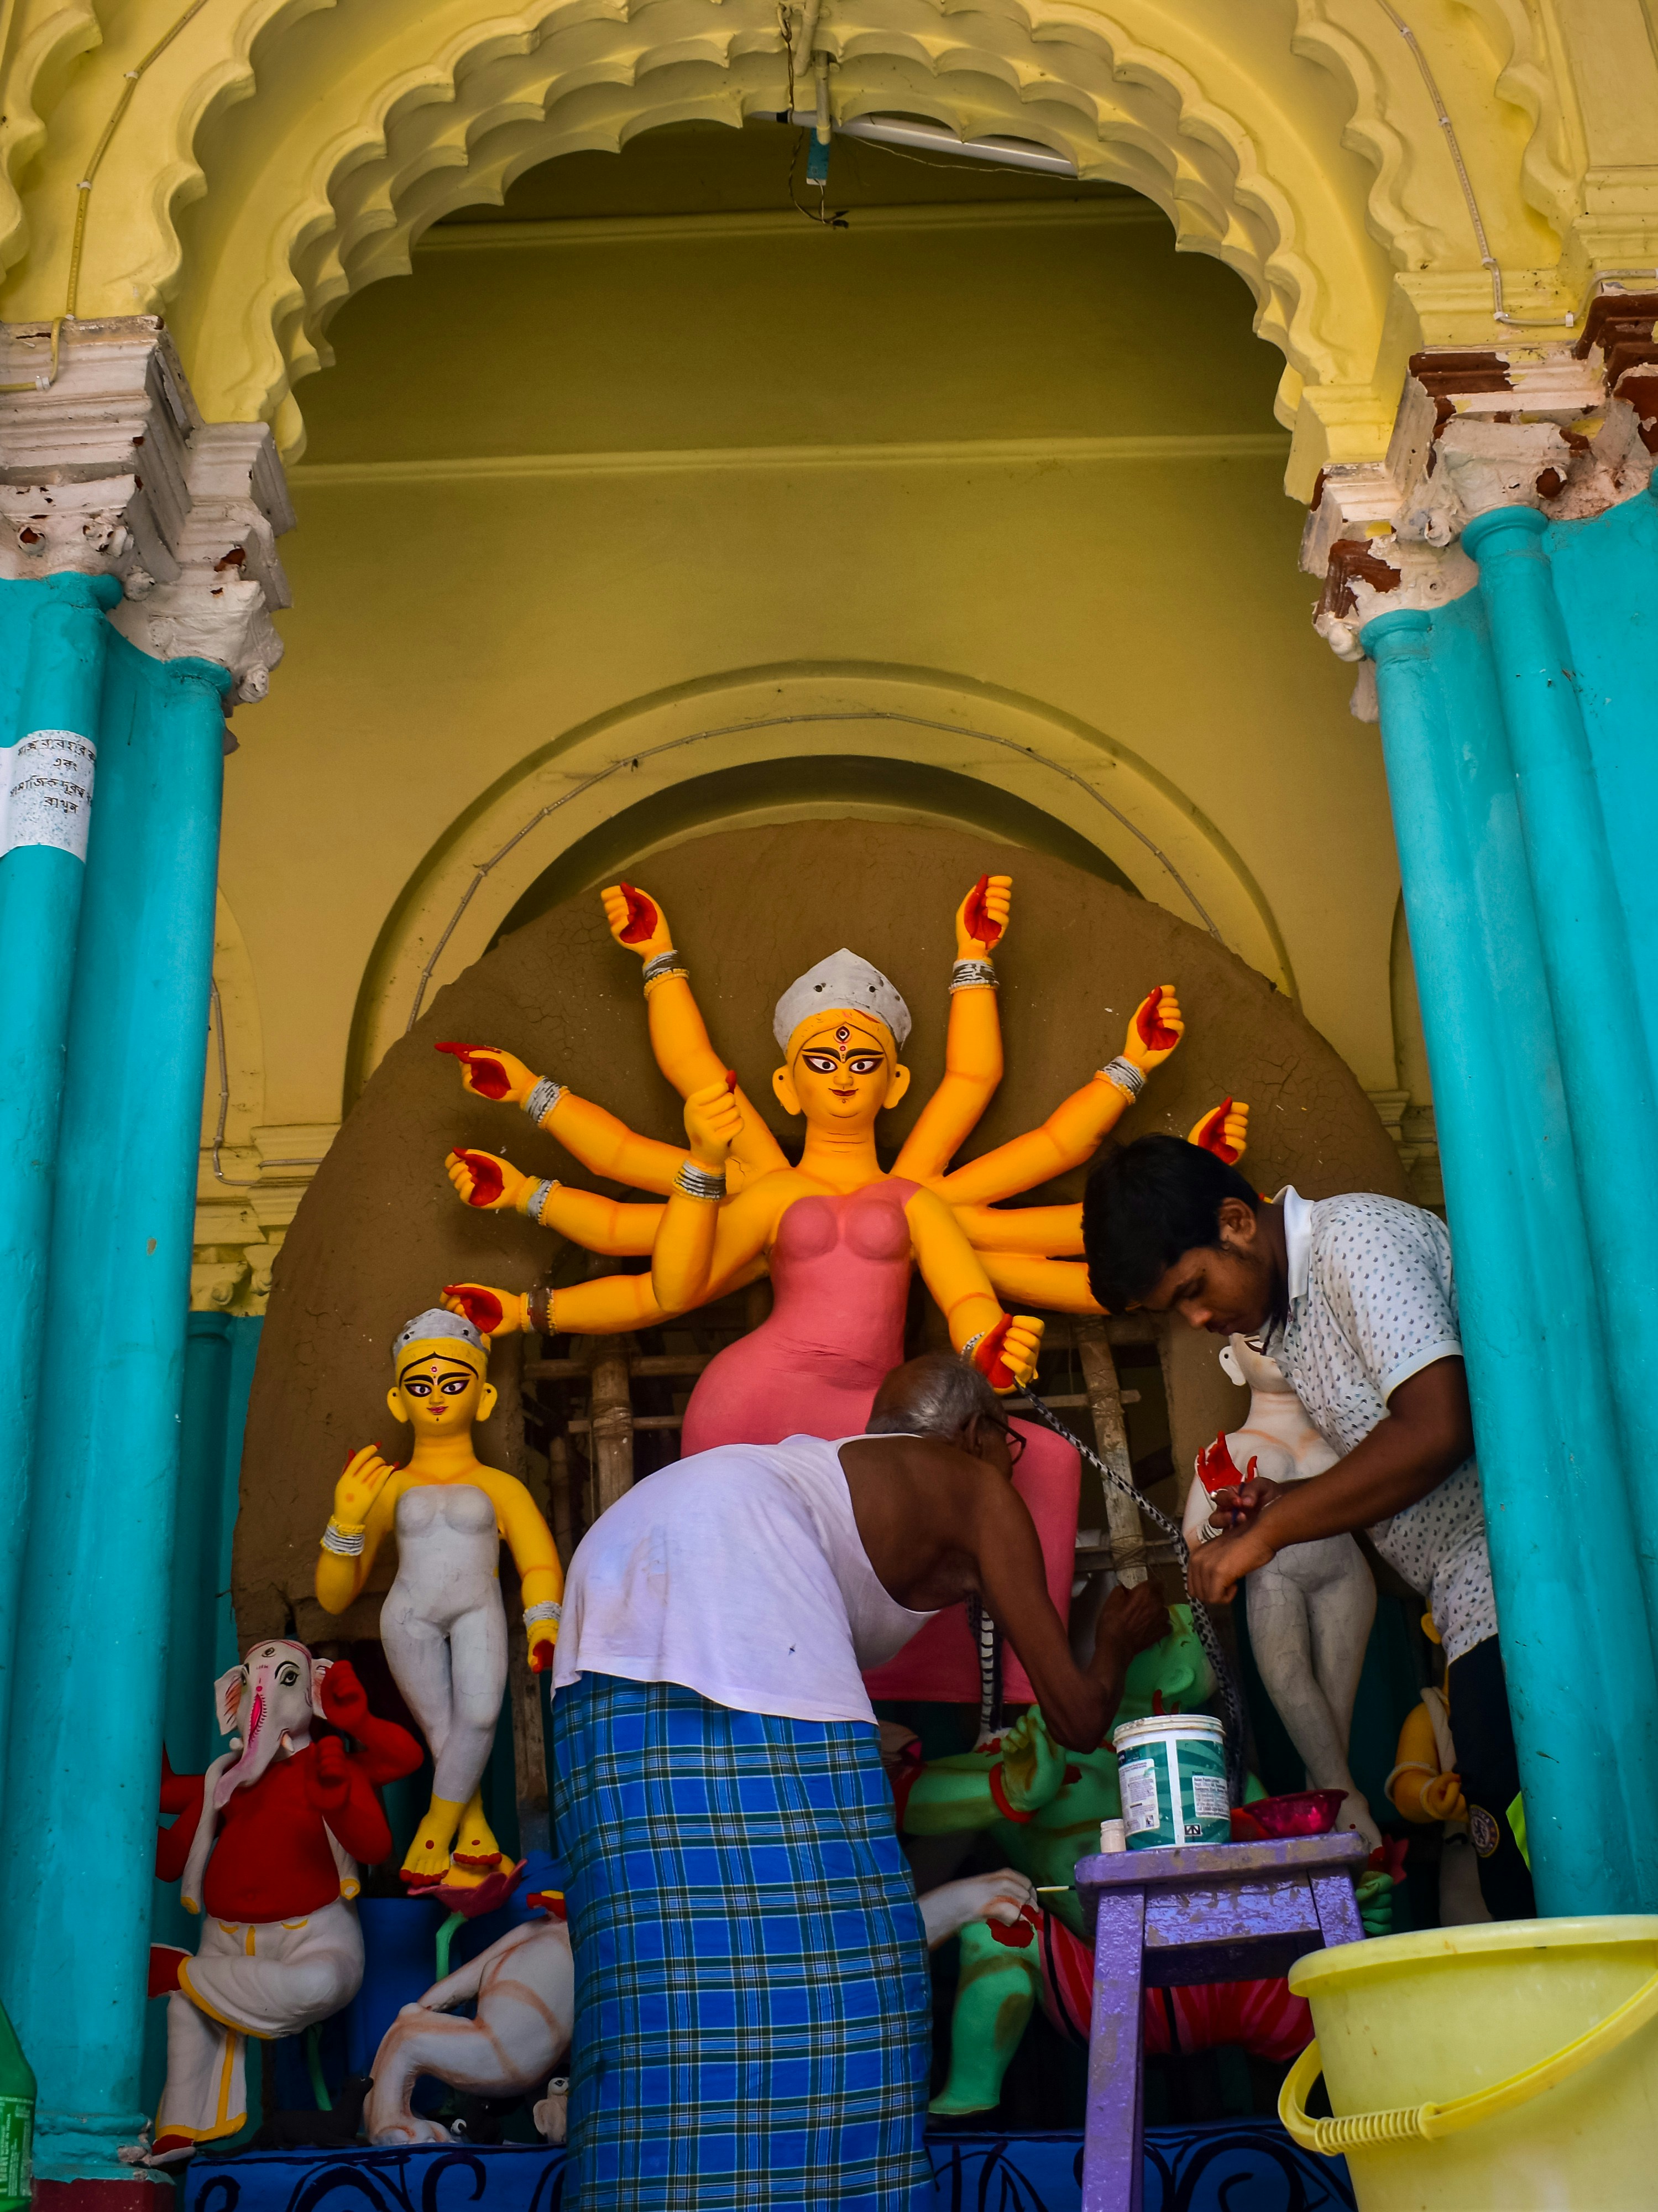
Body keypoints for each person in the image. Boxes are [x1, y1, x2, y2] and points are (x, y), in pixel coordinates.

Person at [550, 1353, 1168, 2211]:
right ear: (979, 1433)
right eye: (1007, 1447)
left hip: (605, 1586)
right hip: (733, 1567)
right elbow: (1074, 1717)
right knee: (857, 1972)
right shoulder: (976, 1484)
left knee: (660, 1970)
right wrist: (1121, 1642)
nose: (1007, 1469)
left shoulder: (834, 1469)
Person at [1082, 1133, 1535, 1921]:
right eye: (1175, 1310)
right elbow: (1390, 1452)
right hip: (1476, 1595)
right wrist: (1289, 1503)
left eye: (1194, 1288)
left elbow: (1437, 1426)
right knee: (1506, 1842)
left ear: (1236, 1222)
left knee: (1541, 1849)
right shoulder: (1287, 1323)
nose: (1197, 1318)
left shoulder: (1351, 1243)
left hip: (1532, 1571)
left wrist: (1277, 1529)